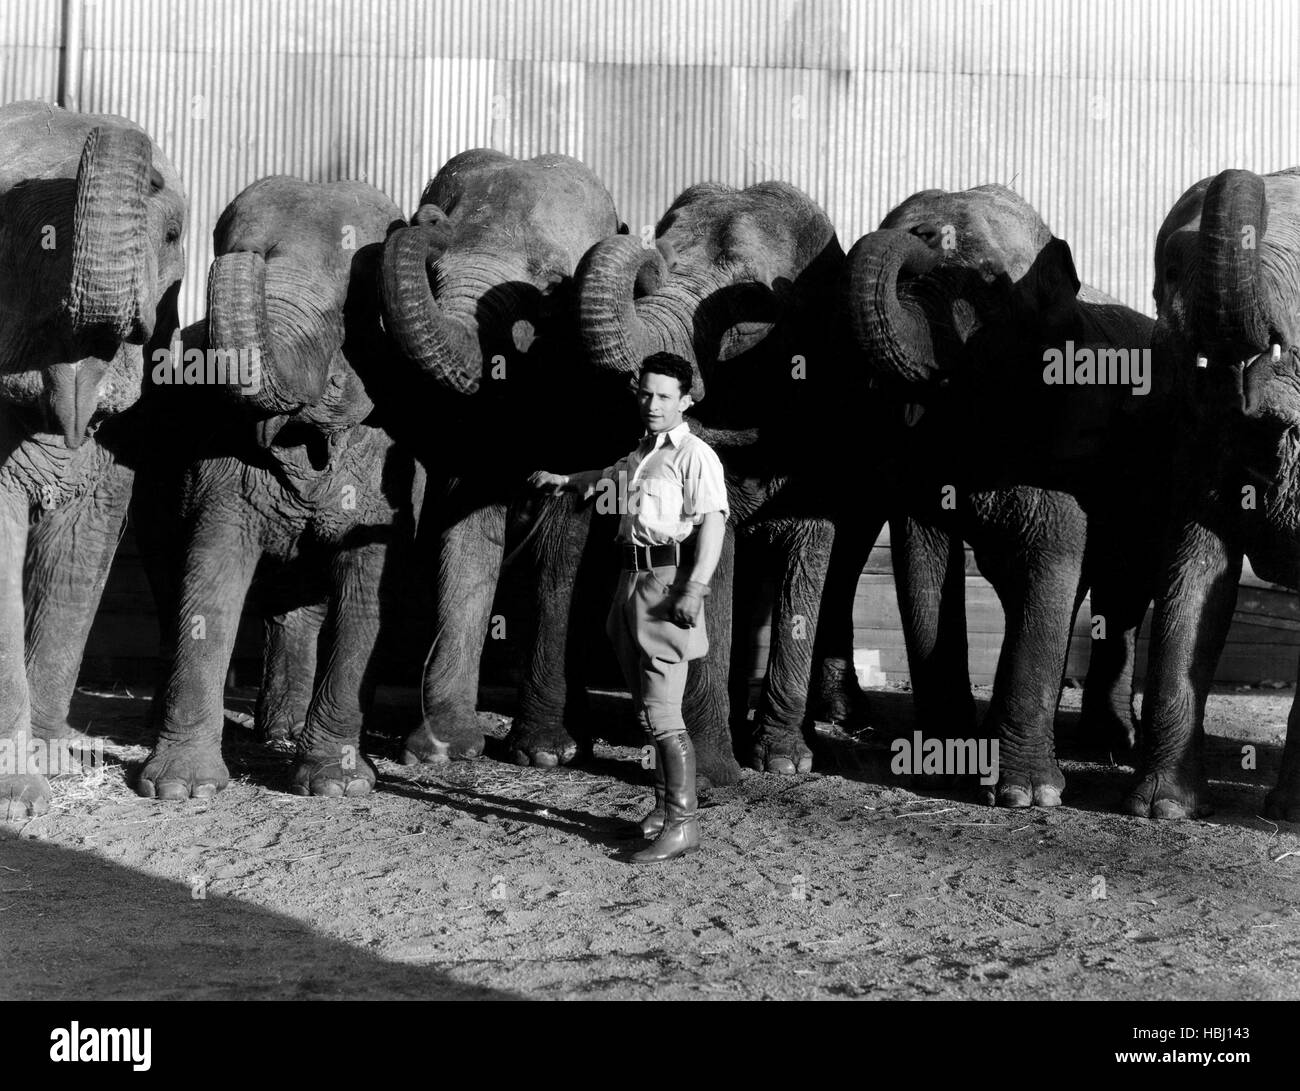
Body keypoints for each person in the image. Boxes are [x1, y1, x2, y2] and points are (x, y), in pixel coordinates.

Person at [529, 352, 728, 863]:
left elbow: (713, 523)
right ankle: (663, 810)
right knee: (646, 709)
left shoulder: (694, 455)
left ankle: (683, 825)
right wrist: (566, 479)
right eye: (645, 393)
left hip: (667, 582)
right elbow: (609, 476)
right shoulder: (642, 453)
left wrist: (695, 587)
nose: (652, 403)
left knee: (662, 714)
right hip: (628, 581)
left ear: (685, 400)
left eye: (664, 396)